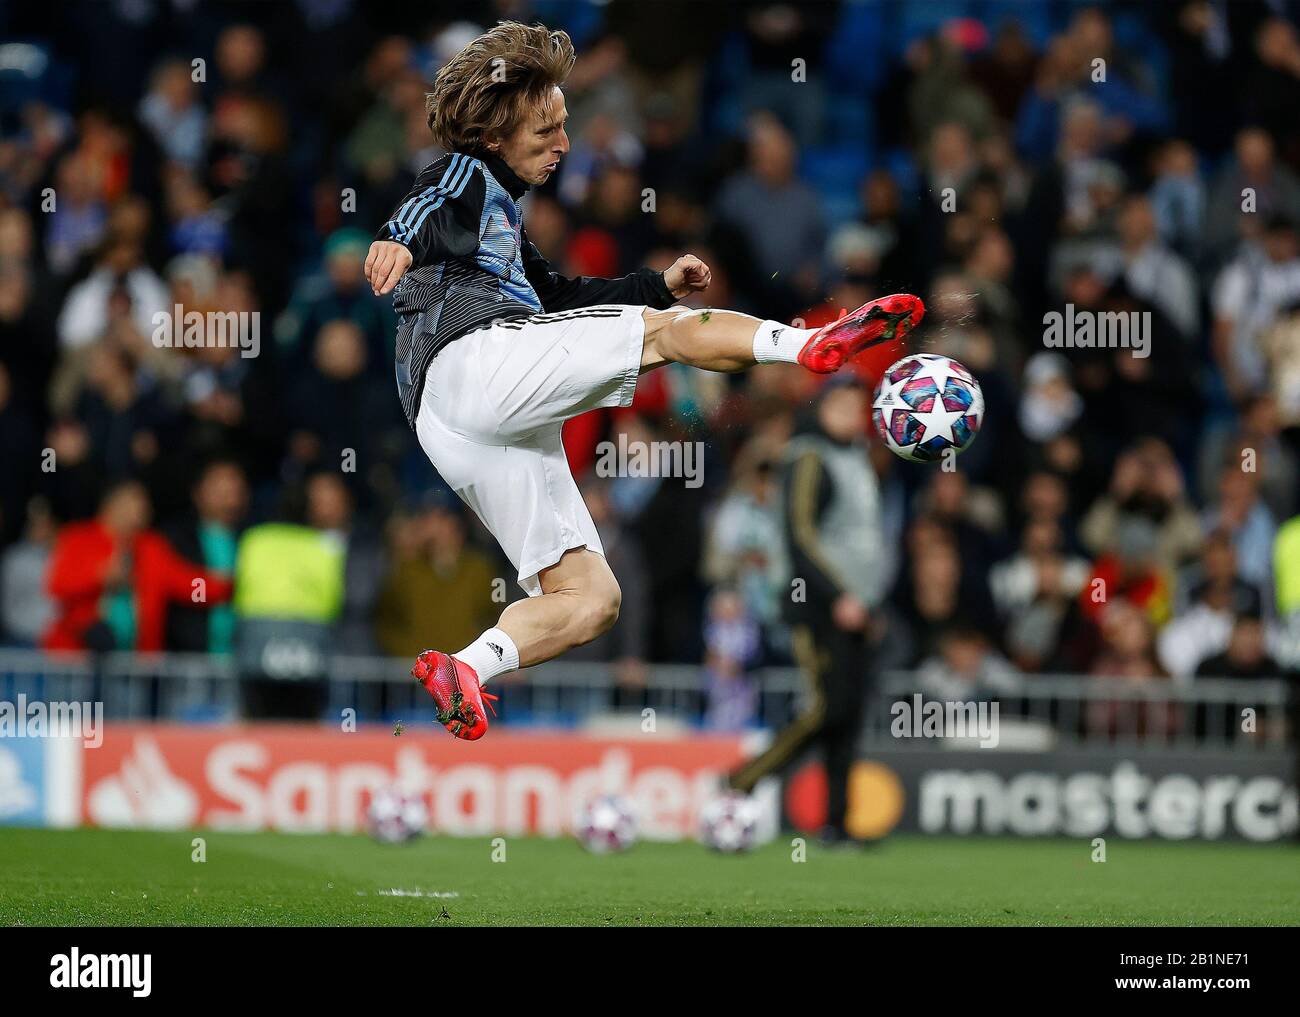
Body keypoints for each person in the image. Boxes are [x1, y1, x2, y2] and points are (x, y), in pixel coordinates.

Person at [364, 22, 923, 740]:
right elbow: (424, 204)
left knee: (592, 598)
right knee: (665, 336)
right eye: (548, 129)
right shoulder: (465, 177)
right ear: (498, 131)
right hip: (471, 361)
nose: (565, 144)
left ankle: (469, 664)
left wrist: (655, 283)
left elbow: (561, 295)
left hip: (456, 424)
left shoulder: (503, 217)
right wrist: (395, 239)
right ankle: (813, 343)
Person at [725, 378, 888, 844]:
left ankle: (838, 824)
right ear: (821, 408)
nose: (849, 414)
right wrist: (839, 595)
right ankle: (741, 782)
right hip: (818, 607)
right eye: (840, 404)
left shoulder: (854, 457)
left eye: (856, 406)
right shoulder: (808, 457)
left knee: (847, 714)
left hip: (856, 608)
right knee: (825, 708)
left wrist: (867, 599)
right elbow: (800, 536)